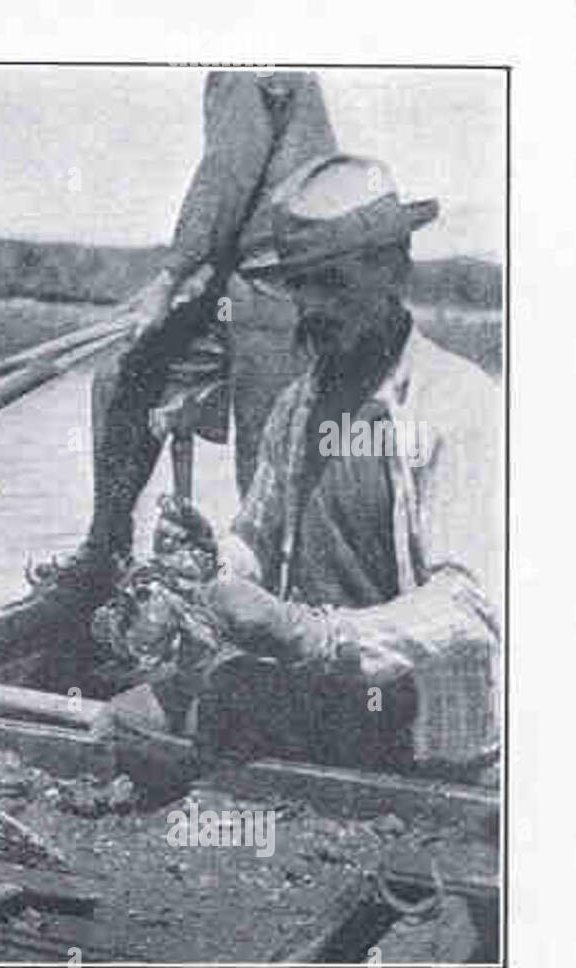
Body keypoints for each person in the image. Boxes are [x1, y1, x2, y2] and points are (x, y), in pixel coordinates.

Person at [150, 154, 500, 782]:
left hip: (424, 736)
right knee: (127, 725)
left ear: (394, 267)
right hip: (319, 703)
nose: (312, 305)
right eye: (299, 284)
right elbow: (257, 534)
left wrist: (312, 635)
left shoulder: (460, 403)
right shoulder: (298, 404)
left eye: (332, 282)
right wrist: (212, 562)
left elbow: (469, 605)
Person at [34, 71, 337, 598]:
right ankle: (105, 552)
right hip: (241, 276)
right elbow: (241, 187)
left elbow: (227, 174)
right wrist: (188, 280)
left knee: (267, 450)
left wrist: (172, 274)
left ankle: (279, 601)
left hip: (289, 279)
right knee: (123, 379)